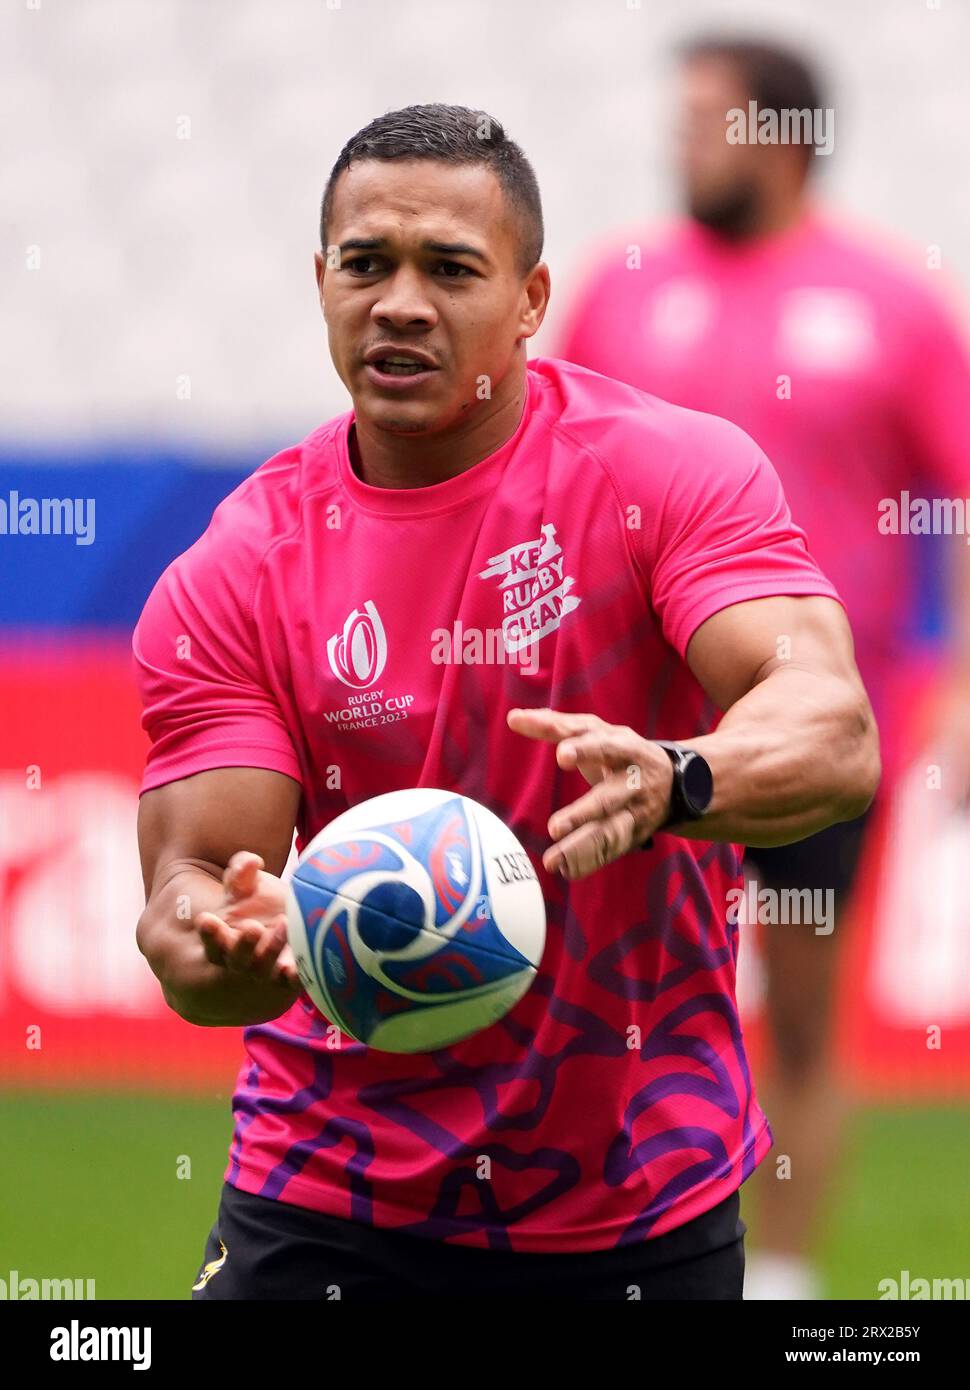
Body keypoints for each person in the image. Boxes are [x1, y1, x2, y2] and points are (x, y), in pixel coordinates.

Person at [133, 102, 879, 1301]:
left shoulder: (665, 473)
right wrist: (232, 944)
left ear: (531, 299)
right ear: (321, 281)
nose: (402, 303)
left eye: (451, 269)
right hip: (324, 1195)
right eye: (367, 265)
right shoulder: (235, 569)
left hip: (638, 1196)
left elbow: (829, 729)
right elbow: (186, 906)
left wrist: (679, 779)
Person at [555, 37, 970, 1299]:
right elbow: (542, 469)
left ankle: (779, 1283)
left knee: (795, 1014)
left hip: (810, 726)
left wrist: (957, 682)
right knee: (589, 1004)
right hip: (624, 717)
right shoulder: (620, 290)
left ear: (783, 135)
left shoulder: (892, 305)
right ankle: (580, 1252)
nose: (682, 143)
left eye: (707, 120)